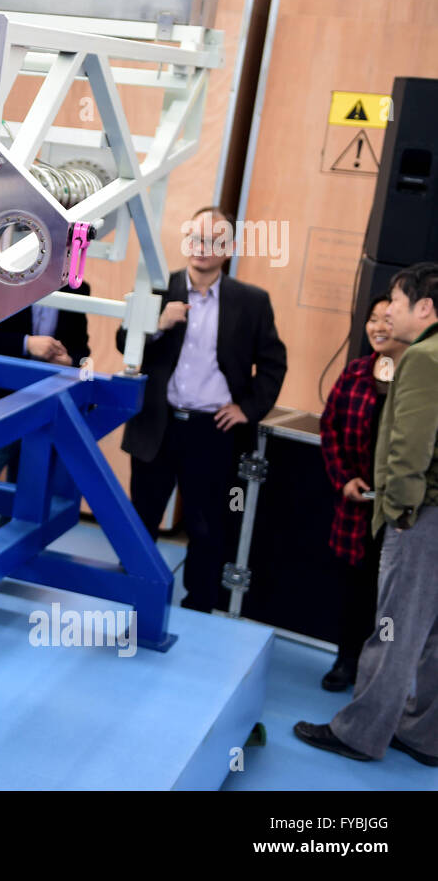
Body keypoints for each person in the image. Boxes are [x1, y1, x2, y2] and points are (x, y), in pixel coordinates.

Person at [295, 262, 438, 766]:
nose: (387, 315)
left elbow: (409, 450)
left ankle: (359, 733)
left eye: (396, 304)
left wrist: (397, 511)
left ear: (424, 308)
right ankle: (424, 735)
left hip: (422, 517)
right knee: (432, 632)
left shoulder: (422, 358)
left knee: (395, 629)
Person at [116, 206, 287, 612]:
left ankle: (199, 607)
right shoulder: (158, 288)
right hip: (157, 424)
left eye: (213, 241)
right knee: (141, 518)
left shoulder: (252, 301)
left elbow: (273, 362)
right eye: (195, 238)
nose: (202, 248)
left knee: (207, 526)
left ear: (228, 249)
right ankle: (134, 595)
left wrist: (248, 408)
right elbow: (125, 341)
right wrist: (159, 323)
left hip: (212, 431)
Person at [0, 282, 91, 532]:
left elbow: (82, 348)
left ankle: (10, 561)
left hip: (45, 408)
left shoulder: (79, 289)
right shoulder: (3, 281)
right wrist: (27, 344)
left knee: (25, 503)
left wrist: (71, 360)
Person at [318, 295, 408, 691]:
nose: (379, 328)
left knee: (391, 594)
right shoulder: (354, 373)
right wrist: (344, 480)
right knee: (354, 589)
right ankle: (346, 660)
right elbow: (330, 429)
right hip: (356, 507)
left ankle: (385, 677)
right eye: (373, 320)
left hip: (401, 511)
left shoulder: (419, 378)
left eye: (388, 320)